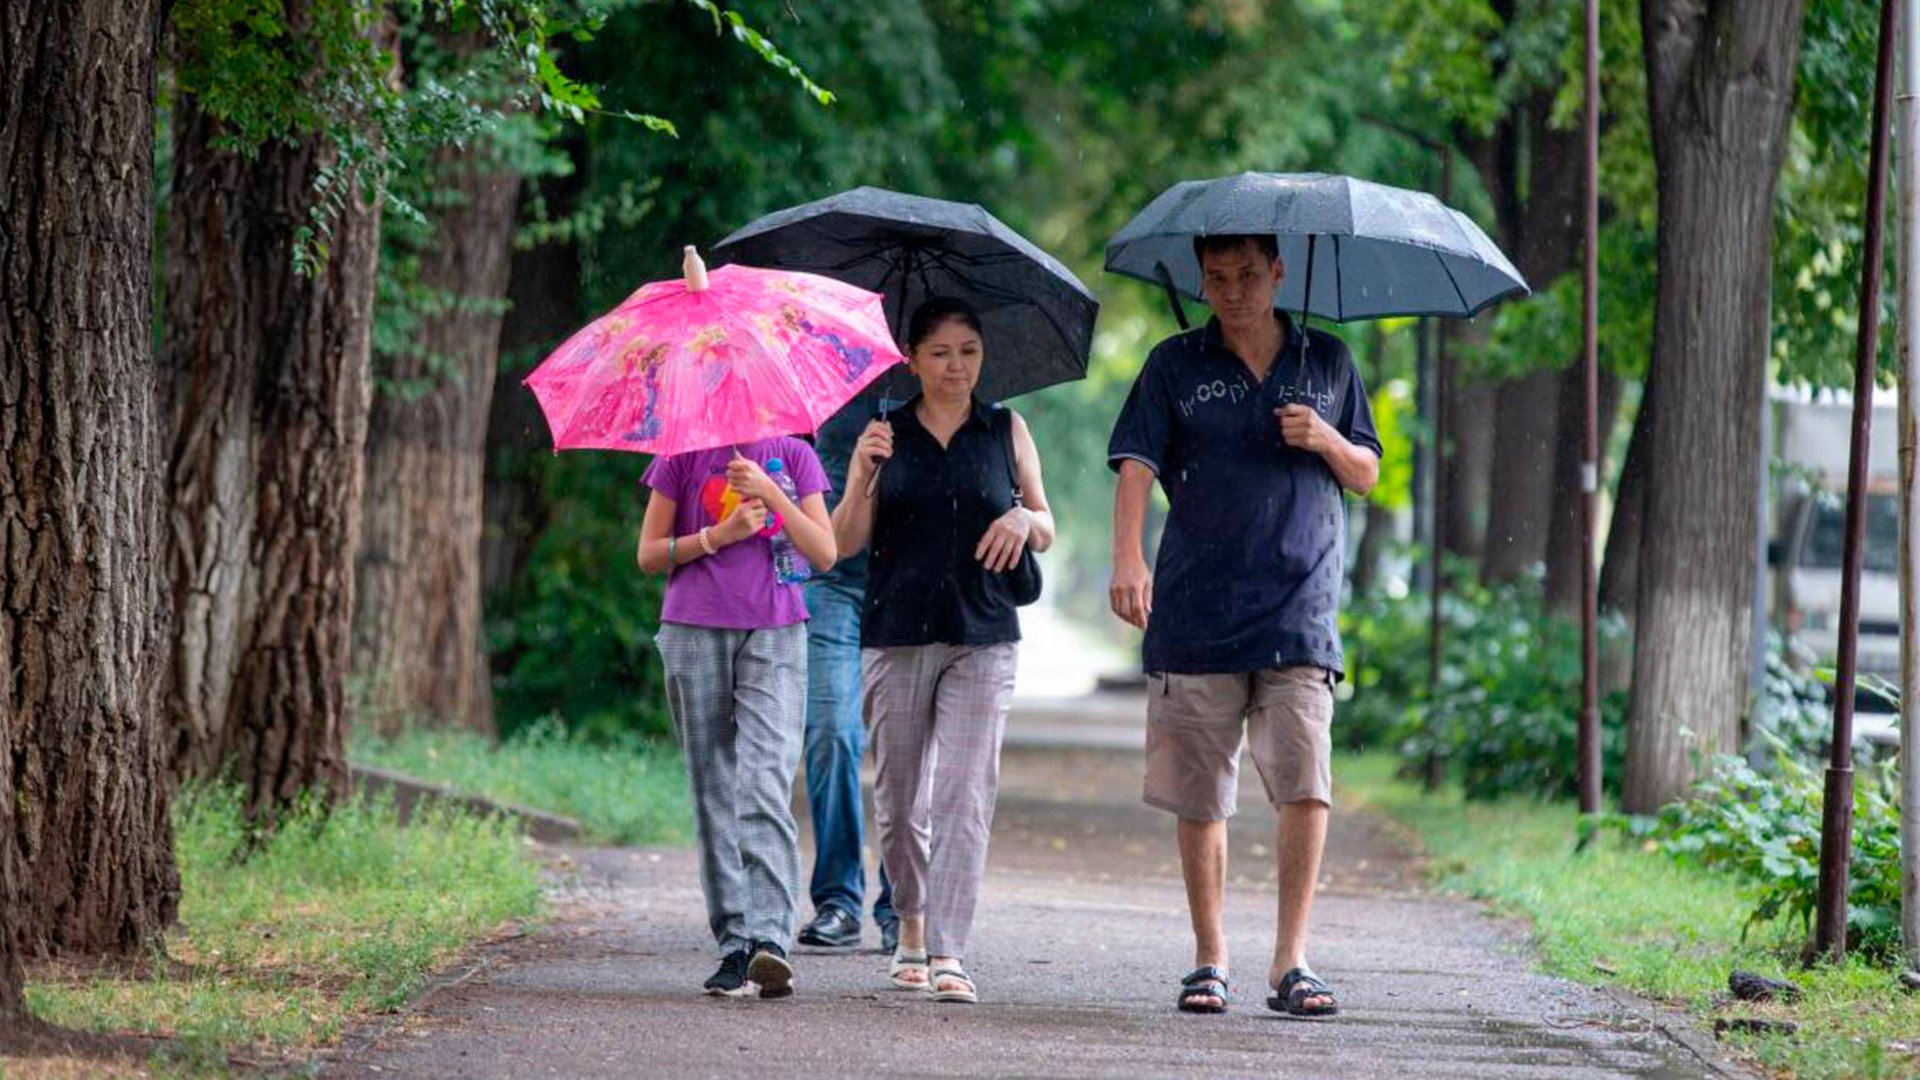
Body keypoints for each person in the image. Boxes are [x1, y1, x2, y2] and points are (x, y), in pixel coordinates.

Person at [1106, 233, 1381, 1018]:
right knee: (1201, 792)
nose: (1233, 291)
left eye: (1249, 276)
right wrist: (1128, 558)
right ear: (1201, 279)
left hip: (1300, 603)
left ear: (1279, 273)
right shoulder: (1174, 363)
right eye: (1218, 278)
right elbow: (1136, 462)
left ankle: (1291, 960)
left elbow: (1365, 472)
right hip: (1195, 603)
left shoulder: (1325, 360)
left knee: (1304, 781)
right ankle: (1209, 958)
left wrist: (1323, 436)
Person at [831, 297, 1055, 1004]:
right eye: (941, 353)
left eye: (969, 351)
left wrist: (1024, 518)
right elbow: (842, 542)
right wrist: (863, 473)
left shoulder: (1006, 428)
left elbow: (1046, 522)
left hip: (983, 634)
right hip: (896, 632)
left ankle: (951, 950)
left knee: (964, 793)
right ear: (912, 361)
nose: (957, 367)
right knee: (900, 800)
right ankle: (912, 930)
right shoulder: (883, 434)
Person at [637, 437, 838, 998]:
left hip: (776, 631)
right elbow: (649, 554)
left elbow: (825, 553)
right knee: (713, 787)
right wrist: (718, 537)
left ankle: (770, 940)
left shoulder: (796, 457)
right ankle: (734, 943)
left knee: (764, 779)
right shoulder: (679, 458)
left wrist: (772, 491)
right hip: (692, 628)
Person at [794, 401, 897, 953]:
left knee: (905, 750)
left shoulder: (950, 392)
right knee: (832, 732)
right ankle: (837, 899)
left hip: (909, 584)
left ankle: (901, 904)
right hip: (831, 581)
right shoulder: (818, 385)